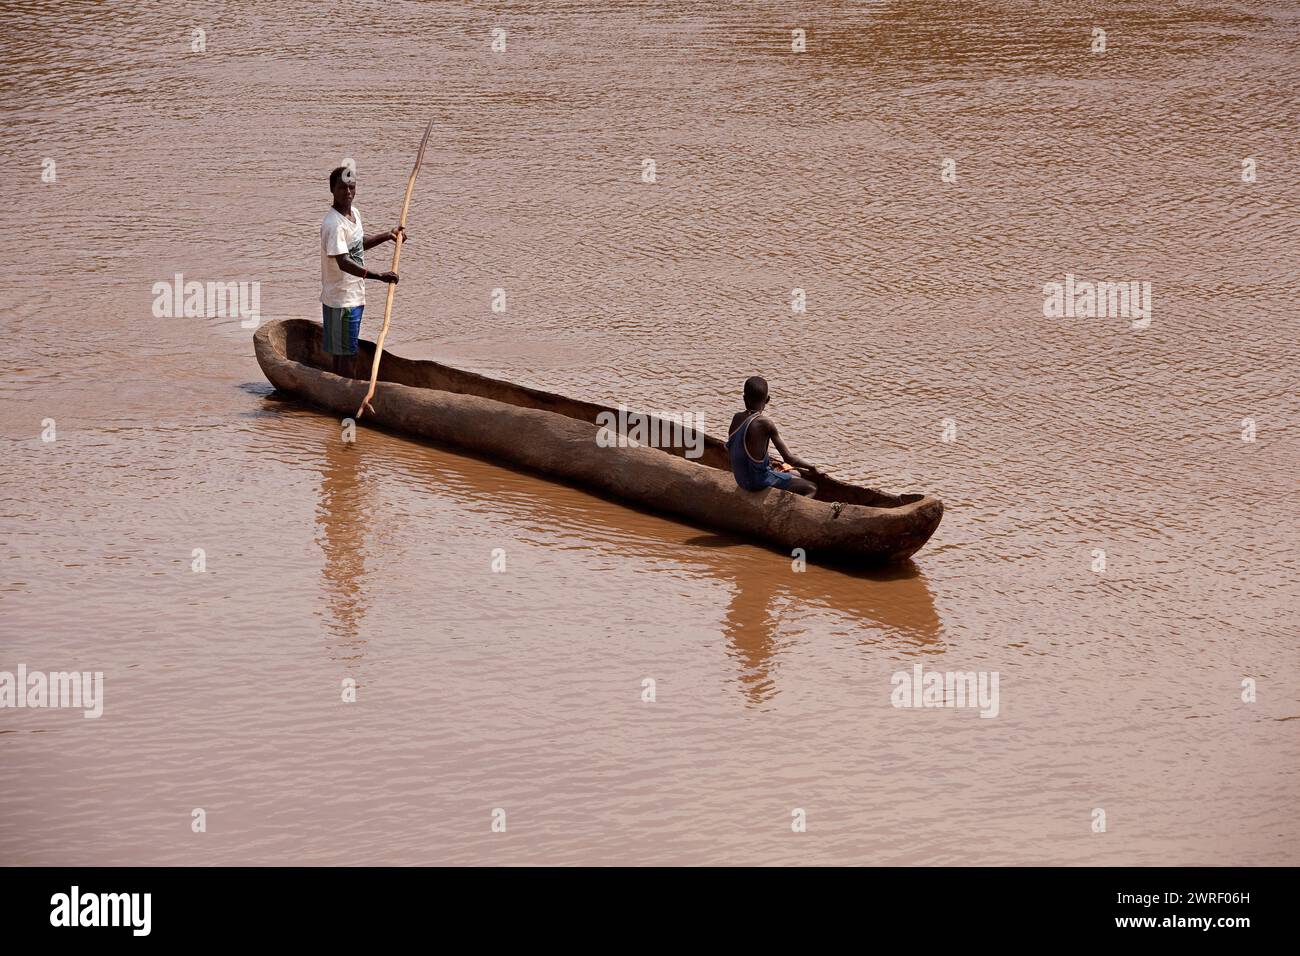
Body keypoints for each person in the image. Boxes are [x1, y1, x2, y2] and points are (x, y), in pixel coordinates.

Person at [320, 164, 405, 377]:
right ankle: (343, 394)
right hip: (341, 300)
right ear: (332, 190)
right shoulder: (334, 225)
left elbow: (358, 244)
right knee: (346, 354)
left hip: (354, 295)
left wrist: (388, 235)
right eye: (342, 188)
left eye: (351, 187)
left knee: (346, 350)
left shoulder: (354, 214)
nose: (347, 192)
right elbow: (344, 262)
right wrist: (379, 276)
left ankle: (339, 389)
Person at [726, 376, 817, 497]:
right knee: (812, 487)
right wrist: (812, 468)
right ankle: (793, 513)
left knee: (797, 474)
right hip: (756, 482)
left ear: (744, 398)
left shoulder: (736, 418)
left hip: (741, 480)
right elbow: (789, 458)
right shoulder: (765, 423)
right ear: (767, 399)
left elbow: (732, 449)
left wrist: (768, 463)